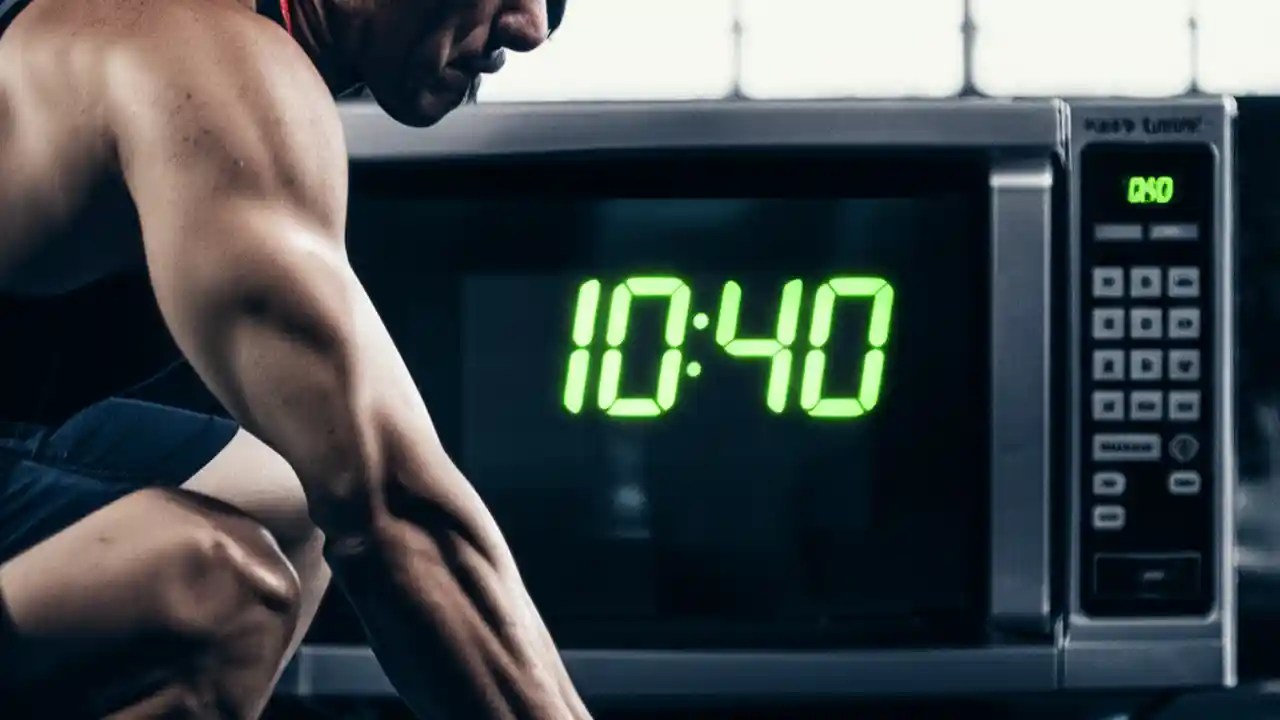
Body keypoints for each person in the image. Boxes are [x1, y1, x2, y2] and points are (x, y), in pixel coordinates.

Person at [0, 0, 590, 717]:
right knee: (214, 591)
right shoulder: (214, 65)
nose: (531, 27)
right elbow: (398, 516)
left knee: (282, 500)